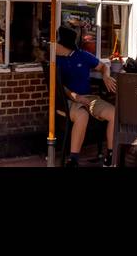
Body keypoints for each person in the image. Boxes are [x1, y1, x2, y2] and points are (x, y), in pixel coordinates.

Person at [55, 25, 116, 167]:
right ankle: (73, 160)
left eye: (56, 42)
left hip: (89, 98)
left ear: (62, 44)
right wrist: (75, 97)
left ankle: (111, 155)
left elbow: (103, 66)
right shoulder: (56, 60)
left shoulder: (83, 55)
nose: (53, 45)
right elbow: (59, 86)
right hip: (69, 101)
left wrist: (106, 76)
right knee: (83, 115)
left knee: (114, 113)